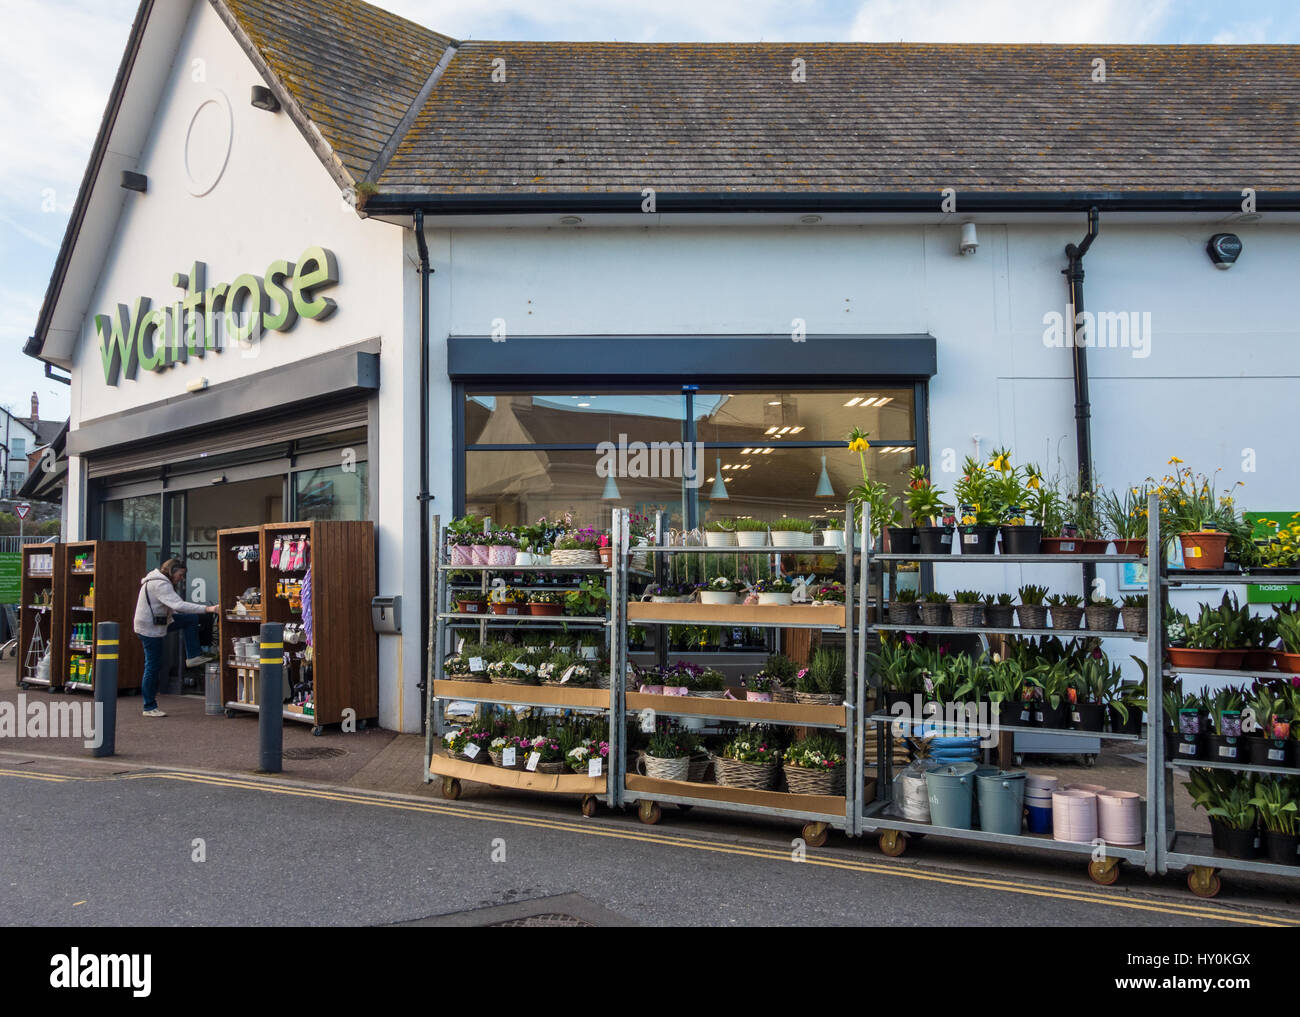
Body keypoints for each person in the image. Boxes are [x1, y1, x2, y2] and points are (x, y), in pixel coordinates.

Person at [134, 558, 219, 718]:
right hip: (150, 628)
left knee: (190, 619)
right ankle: (149, 706)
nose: (182, 578)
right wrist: (209, 608)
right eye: (181, 574)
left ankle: (193, 656)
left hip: (156, 623)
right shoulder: (161, 584)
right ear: (173, 571)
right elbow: (178, 605)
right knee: (152, 666)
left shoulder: (157, 580)